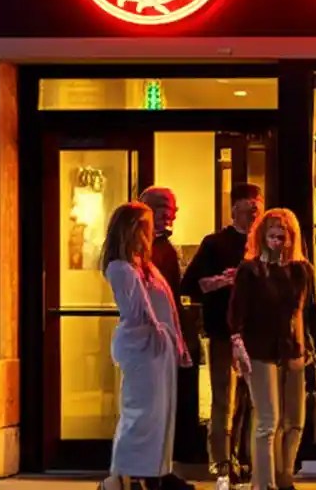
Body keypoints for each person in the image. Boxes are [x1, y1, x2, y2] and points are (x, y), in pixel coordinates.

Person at [229, 208, 316, 490]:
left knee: (295, 421)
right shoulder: (250, 270)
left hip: (294, 349)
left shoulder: (301, 270)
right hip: (259, 350)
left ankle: (284, 477)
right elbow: (236, 312)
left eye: (283, 233)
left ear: (291, 237)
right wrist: (237, 346)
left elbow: (312, 312)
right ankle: (264, 483)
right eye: (272, 232)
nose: (278, 238)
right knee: (267, 421)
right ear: (261, 235)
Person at [99, 202, 194, 490]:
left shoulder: (145, 265)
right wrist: (156, 332)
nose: (152, 233)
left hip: (157, 346)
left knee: (159, 413)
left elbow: (166, 307)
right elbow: (135, 311)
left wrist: (175, 342)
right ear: (133, 230)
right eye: (147, 227)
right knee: (140, 411)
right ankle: (122, 476)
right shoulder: (122, 268)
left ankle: (153, 471)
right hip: (143, 347)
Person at [182, 183, 264, 486]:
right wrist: (223, 280)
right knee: (223, 399)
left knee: (255, 400)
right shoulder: (215, 243)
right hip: (223, 333)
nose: (254, 211)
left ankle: (250, 460)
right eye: (248, 205)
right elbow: (191, 285)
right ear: (234, 209)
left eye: (258, 204)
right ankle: (221, 463)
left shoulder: (265, 244)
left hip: (258, 336)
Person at [139, 186, 205, 475]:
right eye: (165, 208)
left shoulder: (164, 247)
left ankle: (170, 464)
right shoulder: (140, 250)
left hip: (176, 334)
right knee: (156, 405)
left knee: (178, 401)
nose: (171, 215)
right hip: (157, 337)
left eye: (173, 209)